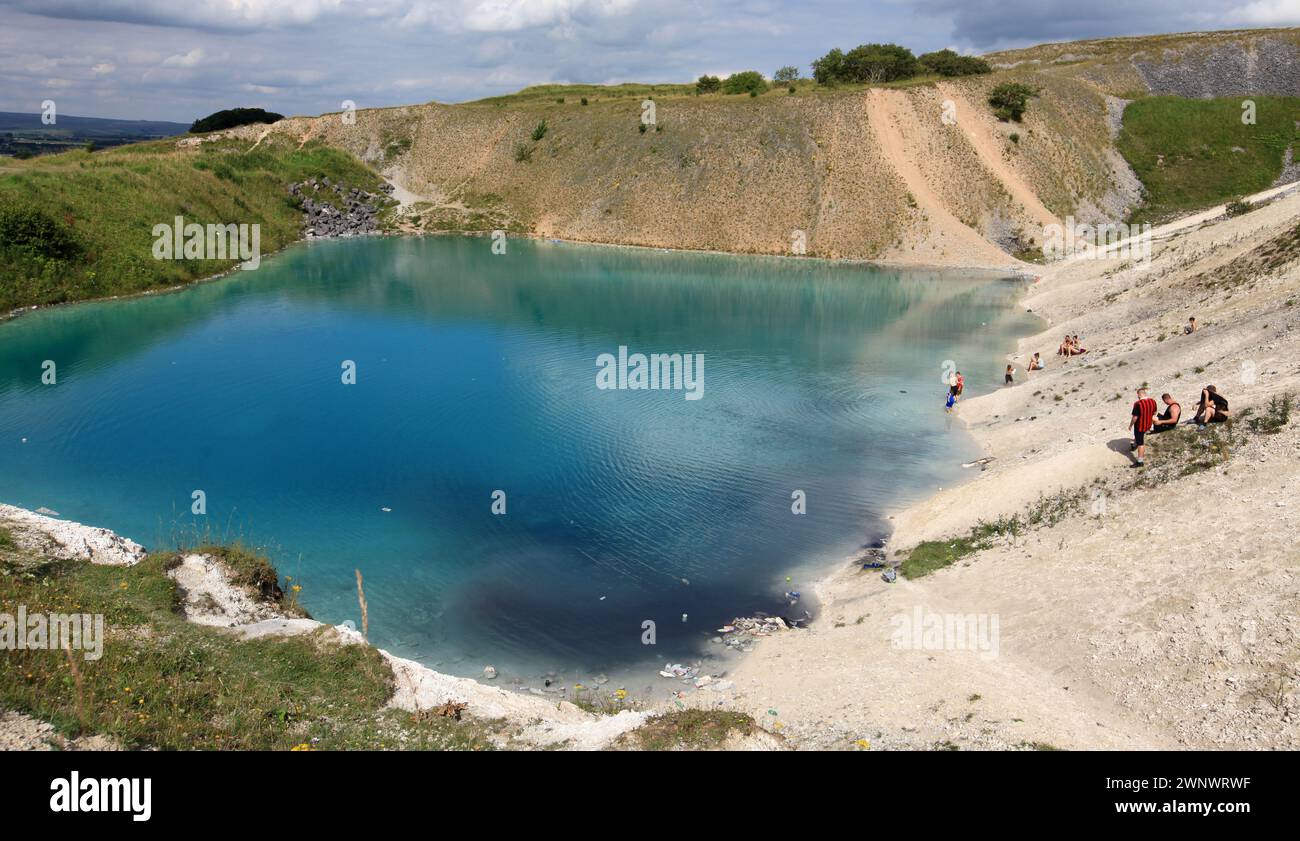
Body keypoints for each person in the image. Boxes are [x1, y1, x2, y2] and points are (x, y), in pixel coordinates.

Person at [1129, 387, 1158, 467]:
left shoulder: (1137, 404)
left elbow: (1135, 417)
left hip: (1140, 426)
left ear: (1139, 395)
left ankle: (1140, 461)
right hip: (1148, 424)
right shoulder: (1153, 401)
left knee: (1140, 443)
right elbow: (1155, 412)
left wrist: (1130, 425)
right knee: (1138, 437)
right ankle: (1134, 444)